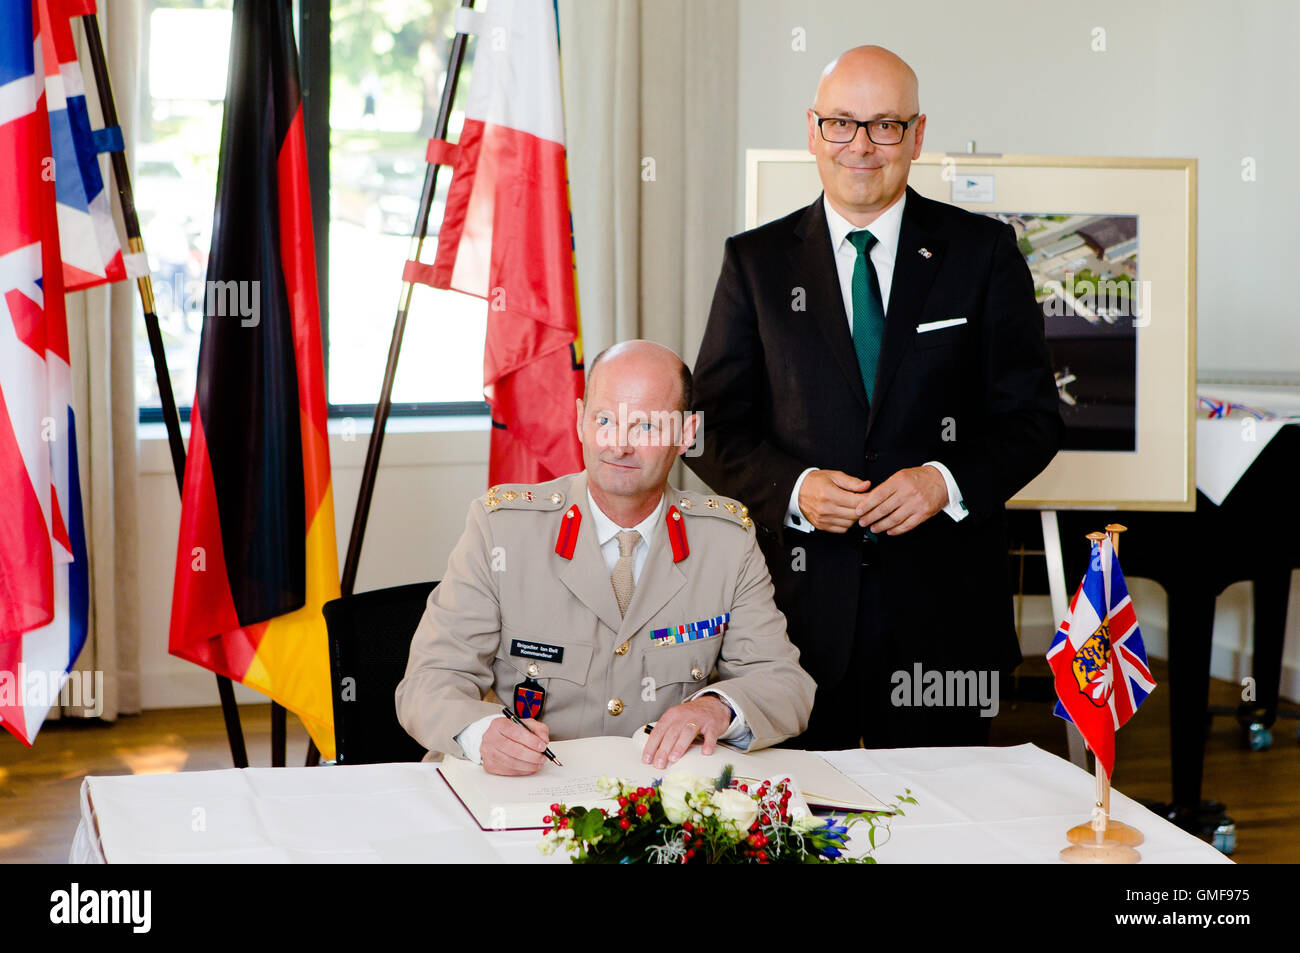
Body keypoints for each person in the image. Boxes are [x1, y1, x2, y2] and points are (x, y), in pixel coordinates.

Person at [686, 46, 1062, 750]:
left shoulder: (983, 253)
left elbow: (1035, 419)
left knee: (936, 833)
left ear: (917, 135)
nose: (861, 146)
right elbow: (709, 427)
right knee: (797, 832)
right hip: (791, 622)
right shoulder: (756, 262)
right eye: (841, 123)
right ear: (812, 130)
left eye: (885, 126)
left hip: (945, 621)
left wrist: (941, 481)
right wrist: (793, 488)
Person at [396, 341, 815, 775]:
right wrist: (481, 734)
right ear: (579, 420)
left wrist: (717, 708)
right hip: (526, 794)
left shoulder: (726, 542)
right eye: (604, 420)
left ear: (687, 434)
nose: (620, 445)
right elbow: (428, 683)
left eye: (647, 426)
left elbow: (787, 686)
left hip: (660, 805)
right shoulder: (501, 528)